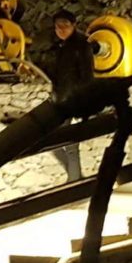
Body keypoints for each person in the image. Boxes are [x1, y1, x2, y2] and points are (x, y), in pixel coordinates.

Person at [40, 10, 96, 181]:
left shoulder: (81, 45)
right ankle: (75, 176)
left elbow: (87, 75)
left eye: (65, 26)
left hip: (72, 100)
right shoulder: (62, 46)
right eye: (58, 26)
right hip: (62, 100)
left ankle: (74, 179)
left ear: (74, 25)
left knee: (66, 142)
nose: (61, 30)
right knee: (57, 142)